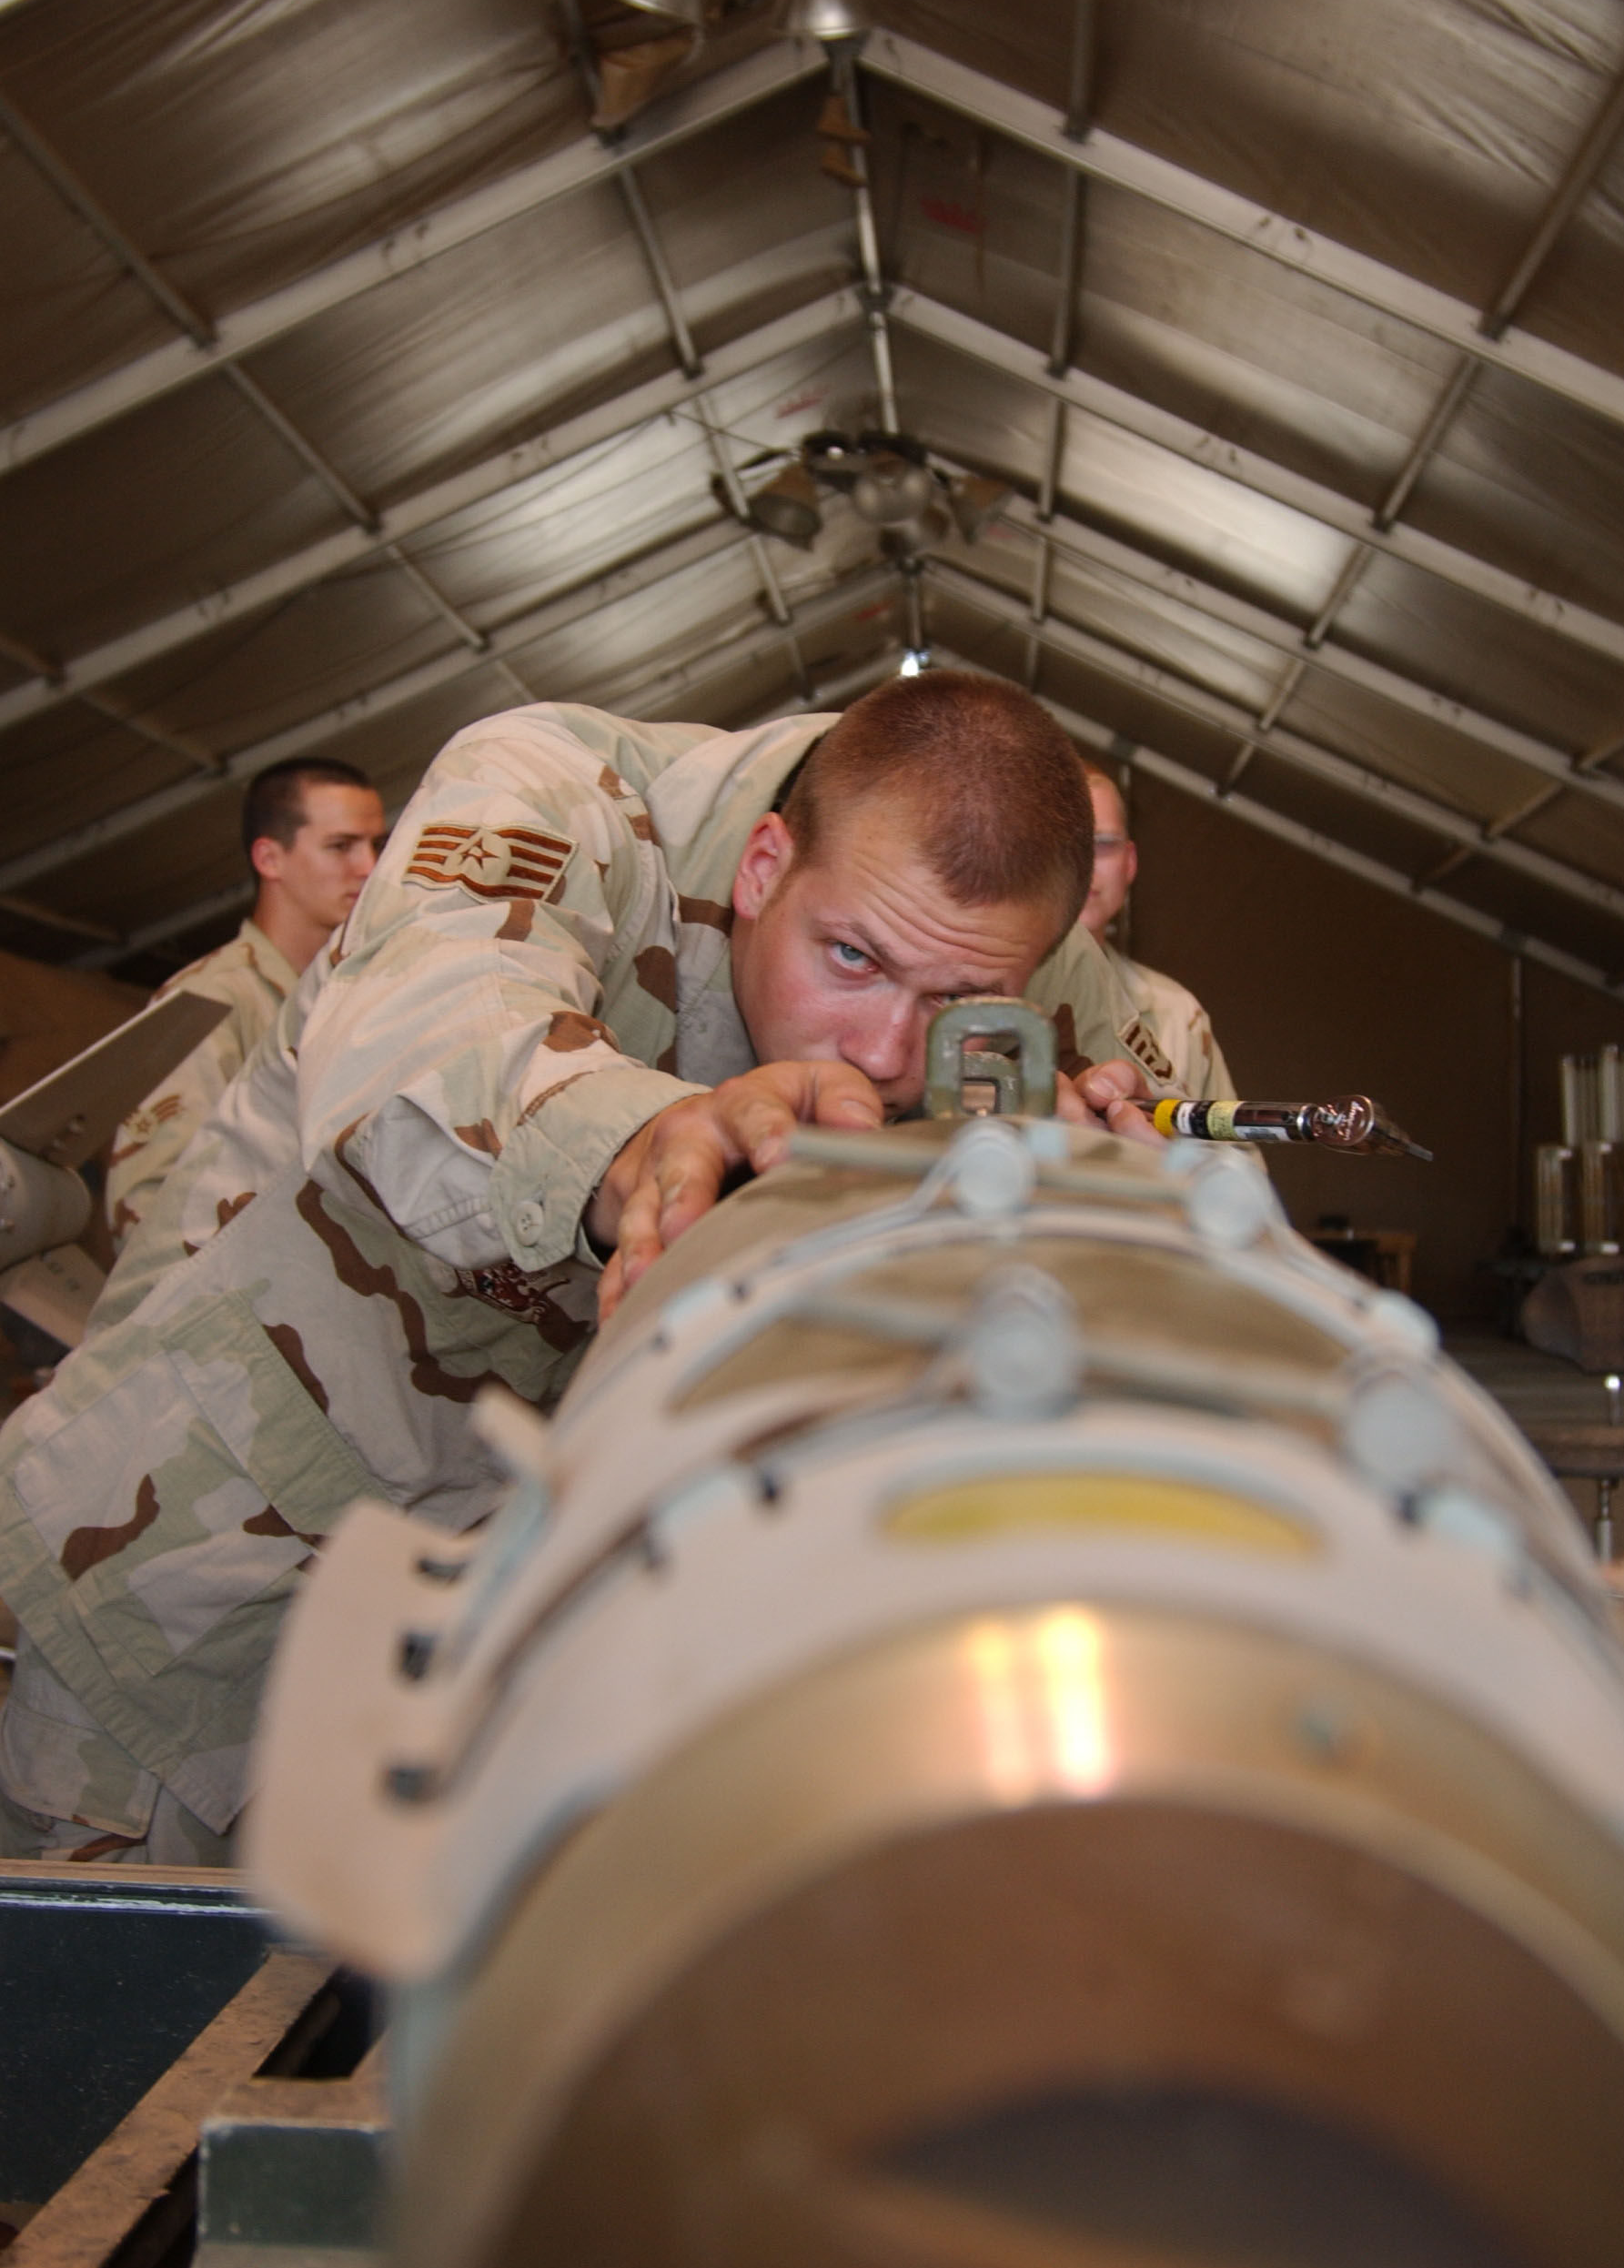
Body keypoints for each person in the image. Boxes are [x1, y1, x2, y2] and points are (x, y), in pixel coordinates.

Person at [0, 676, 1169, 1864]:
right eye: (853, 957)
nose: (883, 1051)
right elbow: (425, 1031)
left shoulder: (1034, 967)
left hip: (513, 1668)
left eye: (959, 1003)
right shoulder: (566, 794)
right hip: (197, 1602)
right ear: (764, 866)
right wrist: (648, 1142)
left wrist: (1094, 1204)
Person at [103, 760, 387, 1262]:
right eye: (341, 846)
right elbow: (149, 1214)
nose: (369, 866)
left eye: (376, 845)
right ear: (269, 859)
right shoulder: (210, 1001)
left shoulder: (357, 998)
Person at [1079, 759, 1235, 1101]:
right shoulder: (972, 989)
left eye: (1102, 845)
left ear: (1130, 862)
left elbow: (1229, 1152)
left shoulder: (1178, 1014)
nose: (1083, 866)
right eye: (1061, 845)